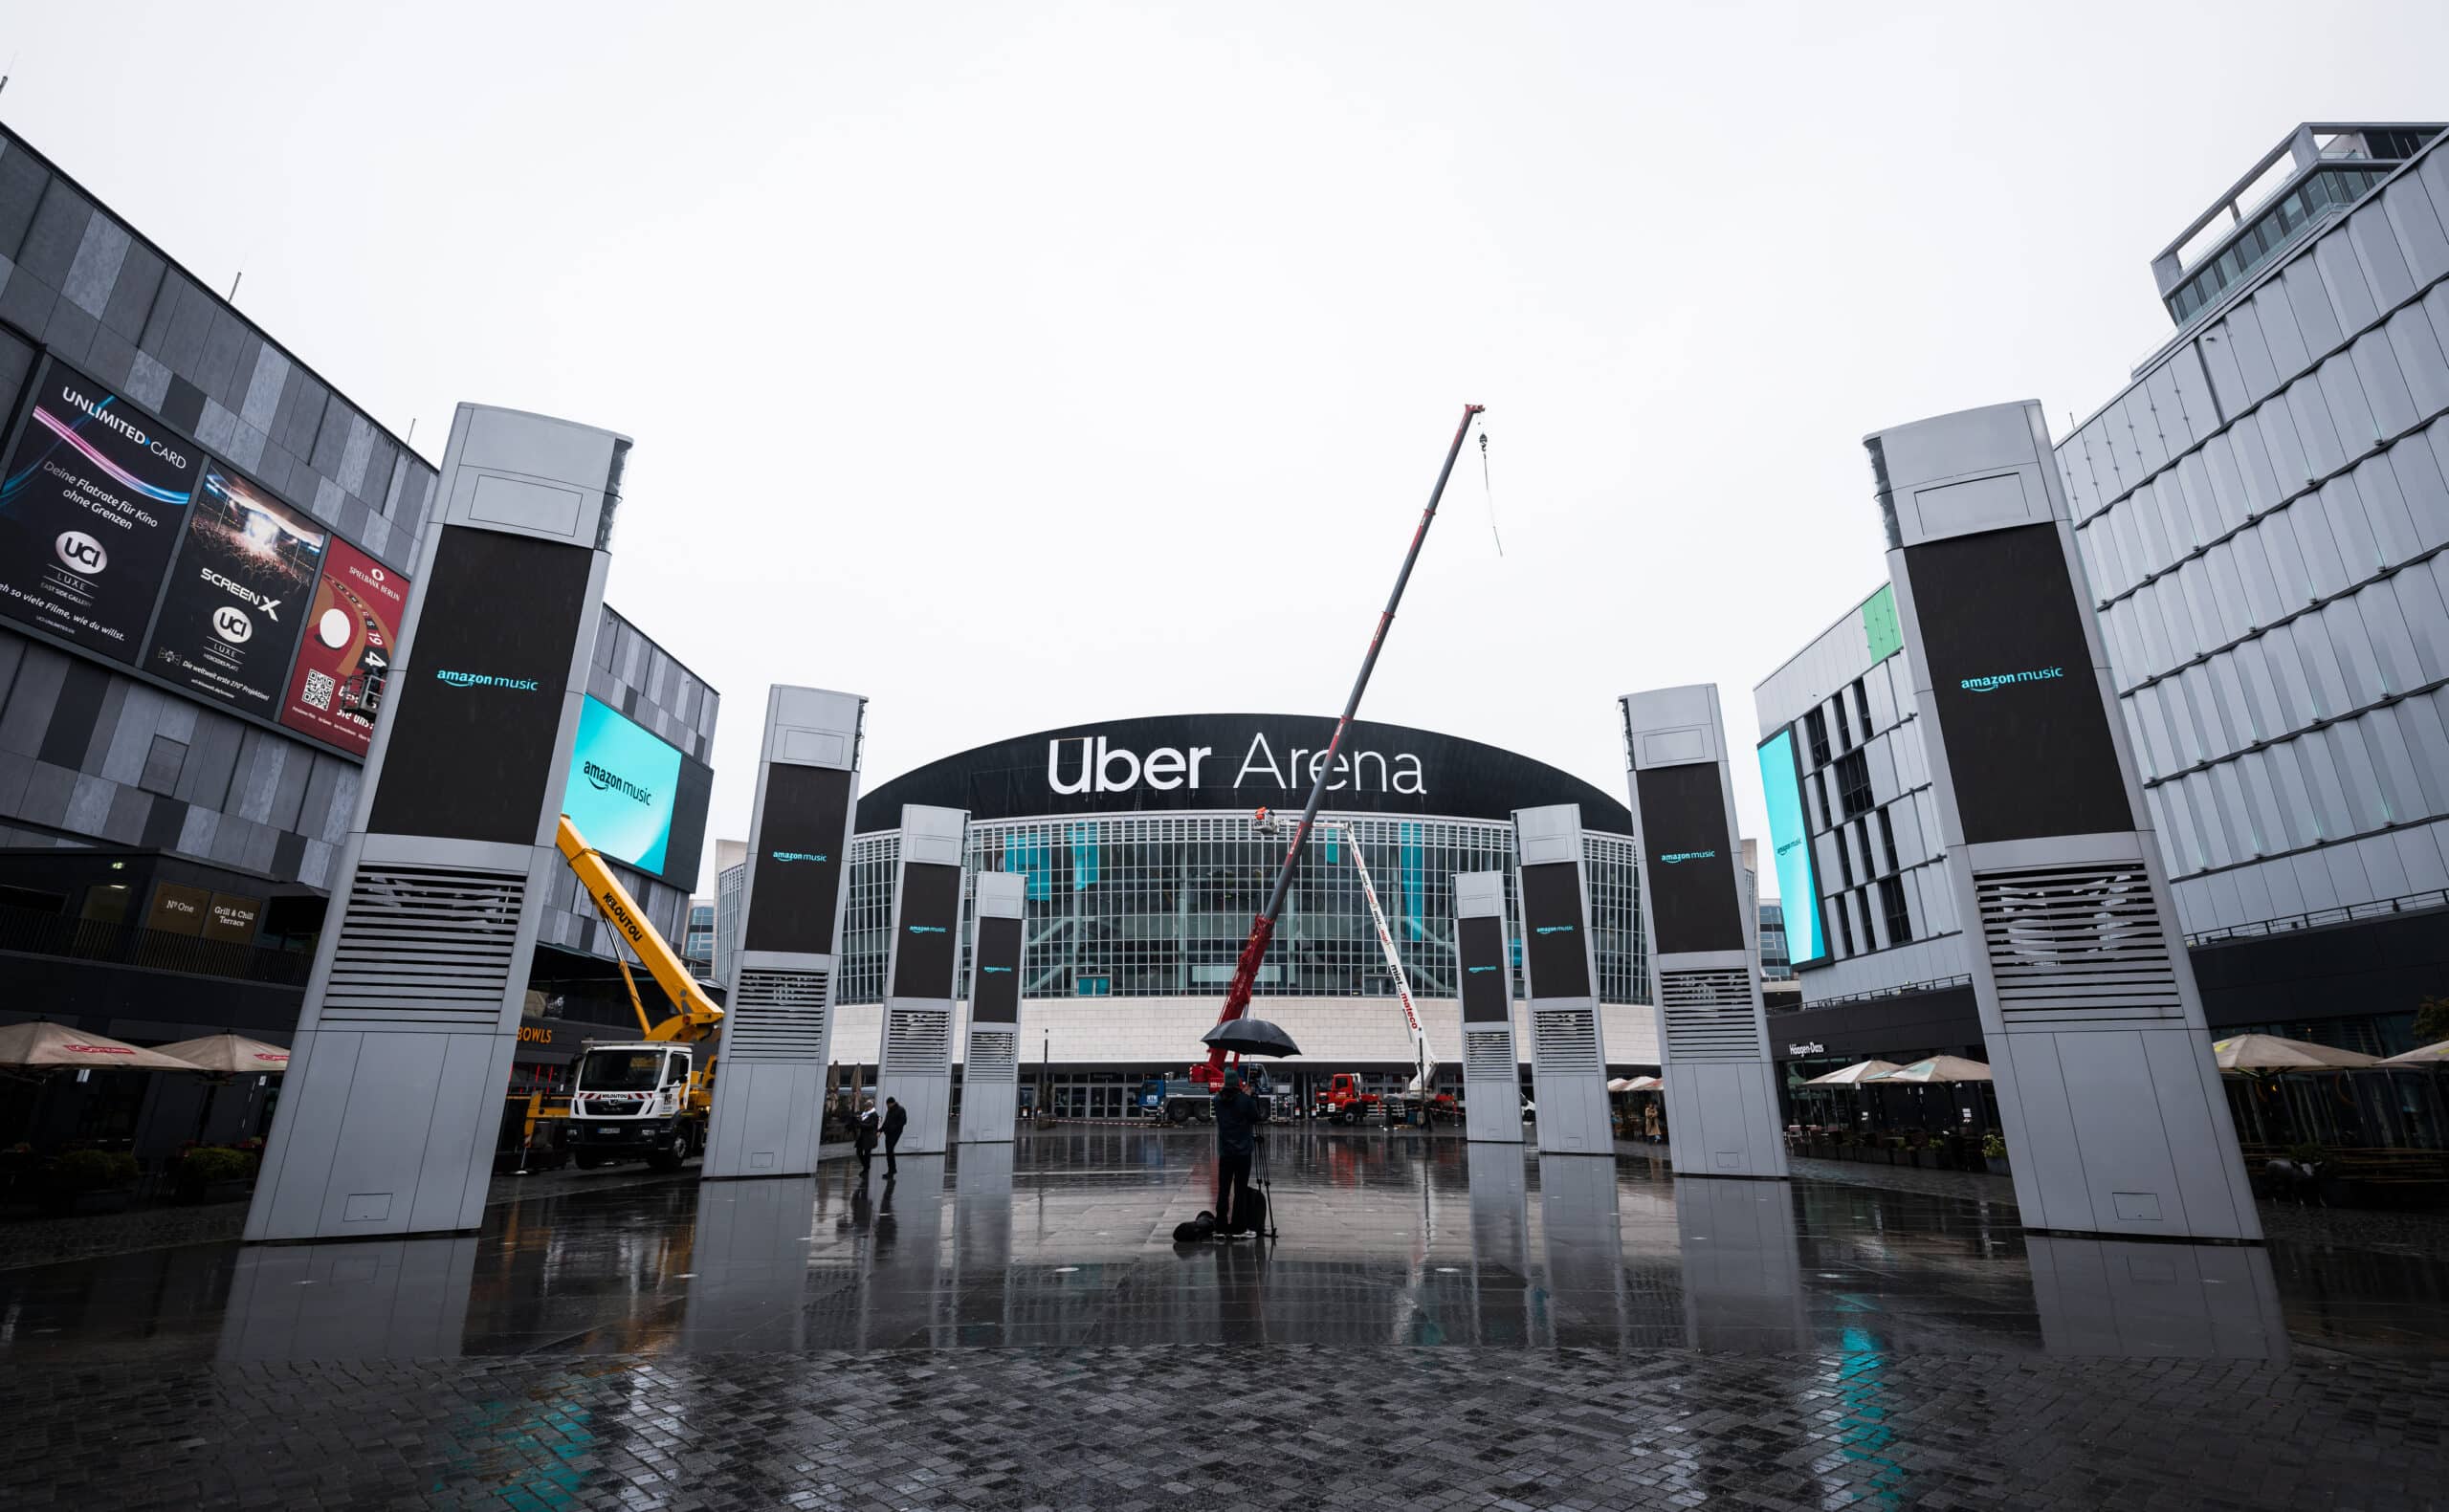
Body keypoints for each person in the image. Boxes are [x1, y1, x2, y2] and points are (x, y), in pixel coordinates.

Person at [1212, 1067, 1260, 1238]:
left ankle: (1221, 1225)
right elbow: (1256, 1117)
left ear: (1225, 1081)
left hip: (1225, 1152)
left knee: (1223, 1189)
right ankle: (1239, 1226)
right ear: (1237, 1082)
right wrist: (1248, 1097)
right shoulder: (1244, 1100)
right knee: (1240, 1190)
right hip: (1243, 1153)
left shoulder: (1217, 1100)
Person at [881, 1096, 908, 1177]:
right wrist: (880, 1130)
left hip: (895, 1133)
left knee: (889, 1150)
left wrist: (893, 1128)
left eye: (888, 1104)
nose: (887, 1106)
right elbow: (886, 1122)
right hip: (888, 1133)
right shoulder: (889, 1110)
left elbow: (903, 1121)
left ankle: (891, 1170)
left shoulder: (901, 1110)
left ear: (891, 1103)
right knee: (889, 1152)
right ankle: (892, 1170)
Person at [854, 1097, 880, 1178]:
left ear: (871, 1106)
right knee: (859, 1151)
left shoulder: (874, 1115)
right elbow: (863, 1122)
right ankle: (866, 1166)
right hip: (863, 1136)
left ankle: (866, 1168)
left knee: (867, 1153)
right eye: (866, 1106)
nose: (866, 1108)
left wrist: (860, 1124)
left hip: (869, 1137)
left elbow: (871, 1125)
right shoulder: (865, 1113)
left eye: (867, 1106)